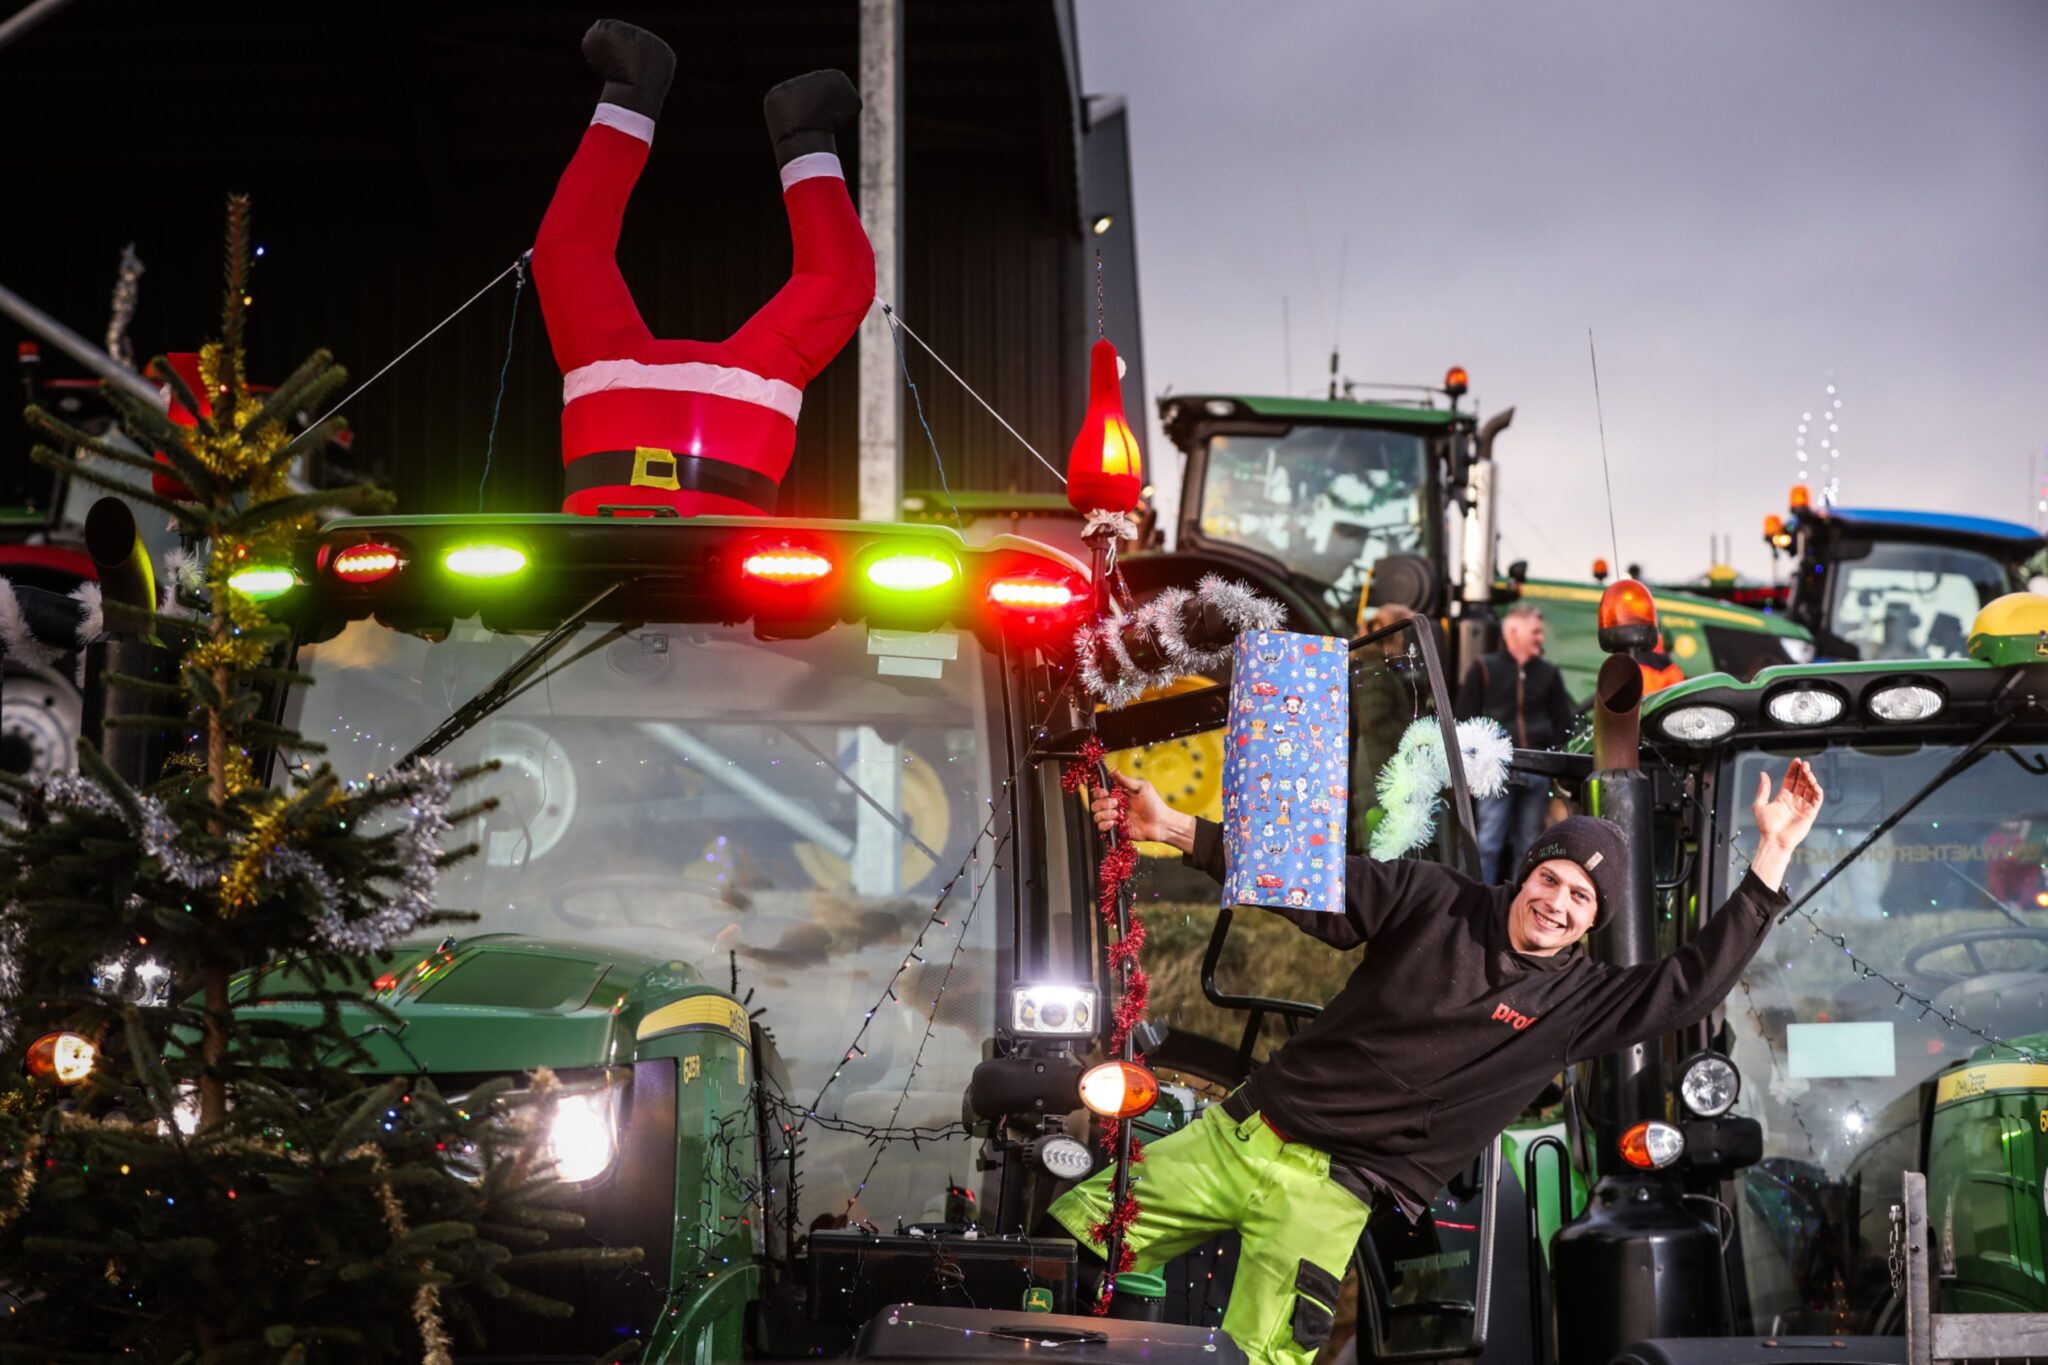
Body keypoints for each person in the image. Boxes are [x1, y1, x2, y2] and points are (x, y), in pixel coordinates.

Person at [1049, 760, 1824, 1365]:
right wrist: (1178, 828)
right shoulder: (1433, 898)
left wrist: (1773, 852)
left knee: (1260, 1355)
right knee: (1062, 1256)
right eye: (1550, 877)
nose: (1556, 901)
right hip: (1240, 1136)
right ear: (1527, 872)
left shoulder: (1581, 1004)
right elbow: (1313, 886)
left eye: (1581, 898)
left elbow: (1688, 986)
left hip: (1331, 1198)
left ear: (1594, 922)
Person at [533, 20, 875, 517]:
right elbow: (842, 283)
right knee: (568, 255)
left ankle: (634, 95)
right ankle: (801, 136)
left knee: (568, 255)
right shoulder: (761, 373)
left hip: (616, 375)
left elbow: (568, 250)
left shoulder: (597, 361)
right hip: (736, 385)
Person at [1456, 604, 1576, 882]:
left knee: (1529, 846)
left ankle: (1519, 903)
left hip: (1536, 771)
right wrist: (1469, 769)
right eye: (1535, 632)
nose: (1540, 639)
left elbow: (1563, 721)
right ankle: (1477, 902)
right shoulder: (1484, 669)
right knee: (1487, 843)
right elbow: (1464, 722)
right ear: (1513, 632)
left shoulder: (1548, 673)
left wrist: (1552, 761)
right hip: (1493, 769)